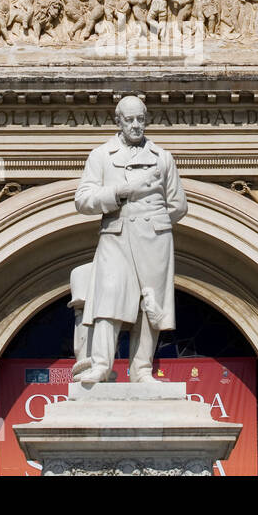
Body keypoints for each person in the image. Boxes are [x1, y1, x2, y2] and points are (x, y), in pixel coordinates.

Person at [71, 96, 186, 383]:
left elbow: (178, 205)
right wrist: (120, 193)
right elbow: (83, 200)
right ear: (118, 121)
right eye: (130, 120)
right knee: (108, 296)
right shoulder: (101, 156)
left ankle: (142, 369)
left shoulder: (162, 158)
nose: (136, 125)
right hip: (116, 235)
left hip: (154, 238)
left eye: (140, 120)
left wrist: (152, 221)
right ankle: (101, 364)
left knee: (151, 304)